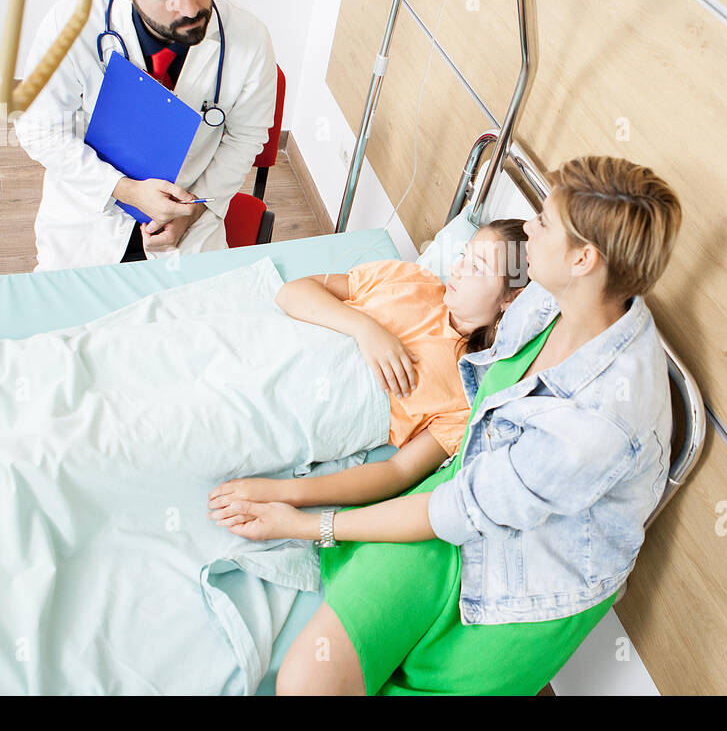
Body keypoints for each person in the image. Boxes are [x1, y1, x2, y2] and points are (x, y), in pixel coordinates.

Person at [210, 156, 683, 696]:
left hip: (527, 580)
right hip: (459, 501)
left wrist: (303, 524)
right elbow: (458, 490)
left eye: (544, 223)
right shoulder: (544, 302)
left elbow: (451, 507)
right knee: (307, 680)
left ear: (584, 258)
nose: (528, 227)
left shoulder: (595, 425)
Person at [14, 0, 278, 270]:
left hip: (189, 225)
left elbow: (246, 136)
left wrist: (193, 211)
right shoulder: (71, 25)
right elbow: (40, 130)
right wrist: (126, 191)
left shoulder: (249, 38)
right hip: (89, 223)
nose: (189, 6)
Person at [208, 220, 530, 520]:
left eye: (477, 268)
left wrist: (281, 493)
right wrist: (365, 329)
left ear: (511, 299)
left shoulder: (466, 391)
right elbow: (291, 292)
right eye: (464, 255)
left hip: (287, 412)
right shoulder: (411, 280)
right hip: (260, 352)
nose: (458, 269)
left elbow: (396, 473)